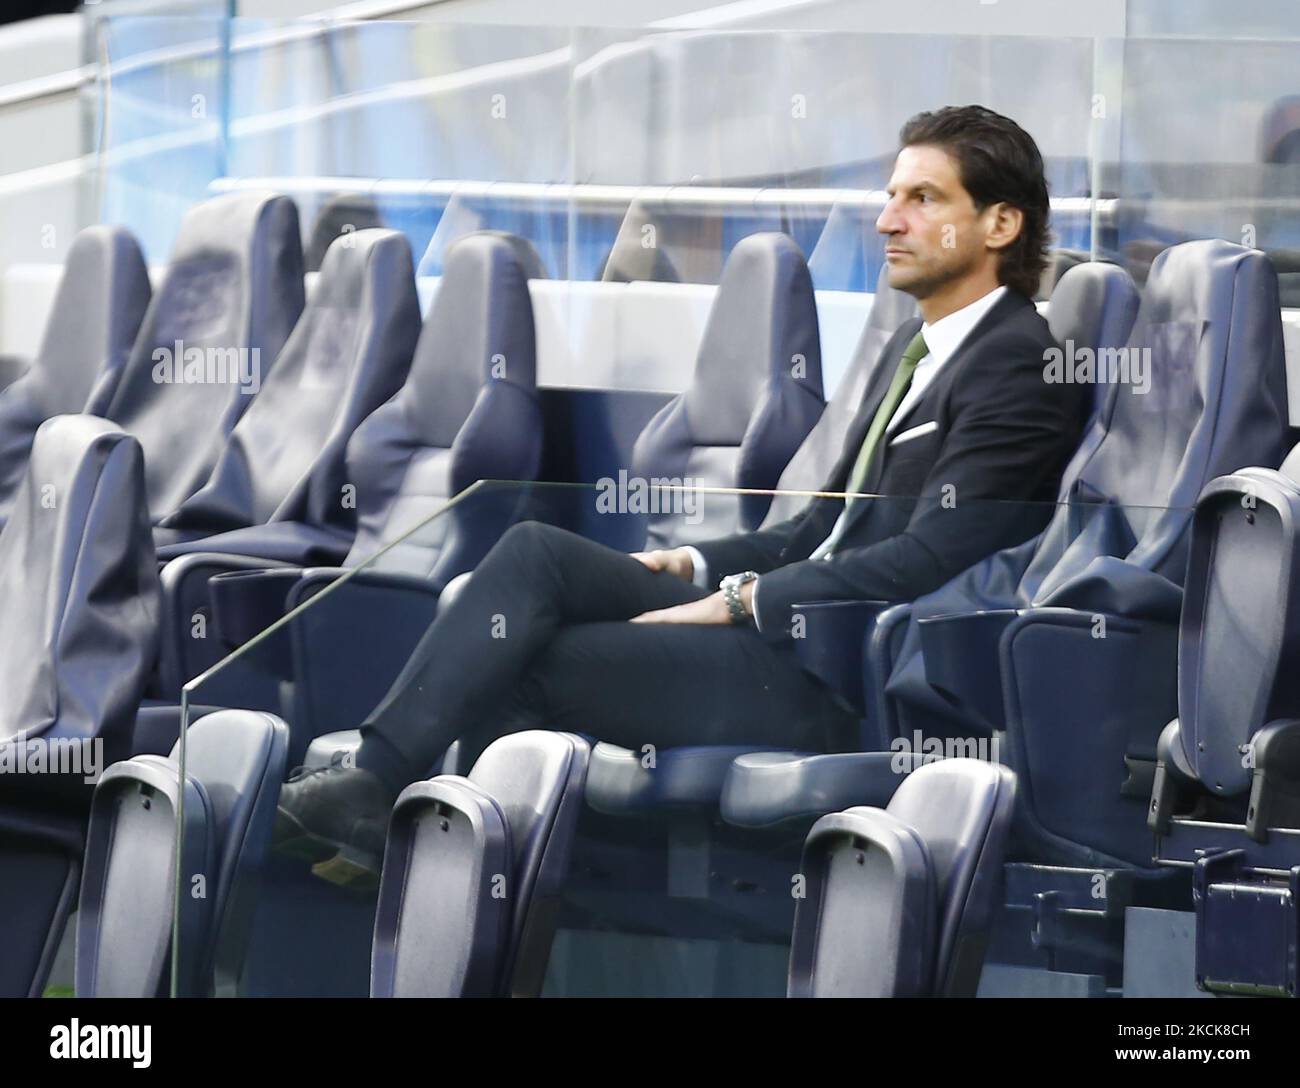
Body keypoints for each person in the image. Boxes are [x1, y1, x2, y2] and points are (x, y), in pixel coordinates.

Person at [274, 104, 1088, 875]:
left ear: (1000, 224)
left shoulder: (1018, 366)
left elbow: (927, 558)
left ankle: (476, 876)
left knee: (526, 661)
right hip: (781, 631)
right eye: (890, 197)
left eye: (922, 199)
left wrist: (742, 601)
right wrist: (700, 565)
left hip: (835, 675)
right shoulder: (918, 353)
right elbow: (814, 534)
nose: (887, 221)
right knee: (536, 557)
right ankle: (381, 792)